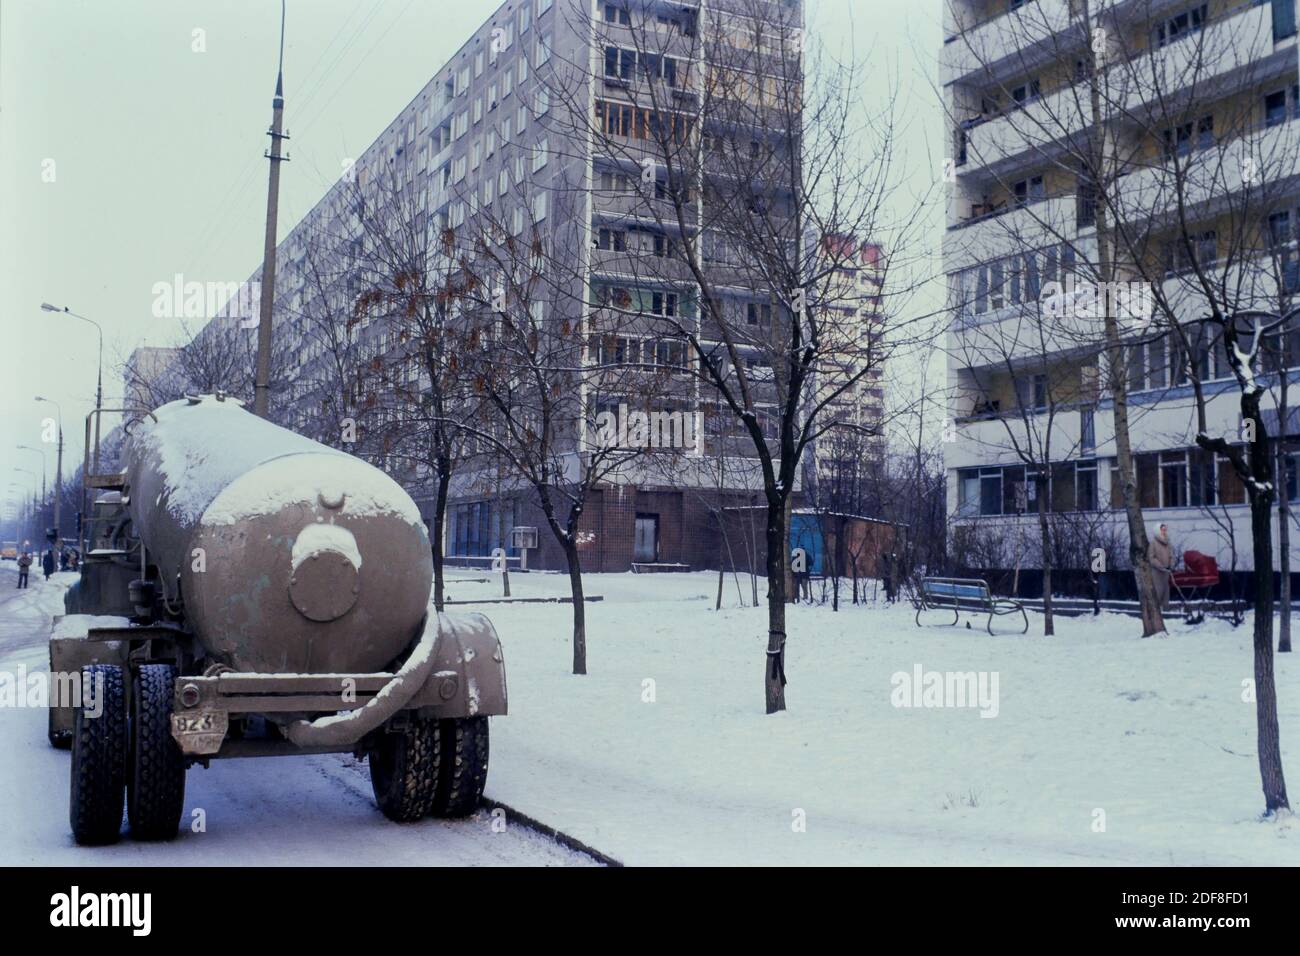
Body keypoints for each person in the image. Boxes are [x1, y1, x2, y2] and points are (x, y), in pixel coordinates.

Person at [1148, 524, 1173, 609]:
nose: (1164, 531)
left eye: (1165, 529)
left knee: (1166, 591)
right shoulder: (1153, 543)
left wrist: (1170, 565)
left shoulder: (1167, 543)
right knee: (1158, 591)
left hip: (1166, 571)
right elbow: (1151, 557)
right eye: (1162, 530)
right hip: (1157, 572)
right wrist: (1160, 566)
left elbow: (1171, 555)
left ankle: (1166, 609)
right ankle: (1156, 611)